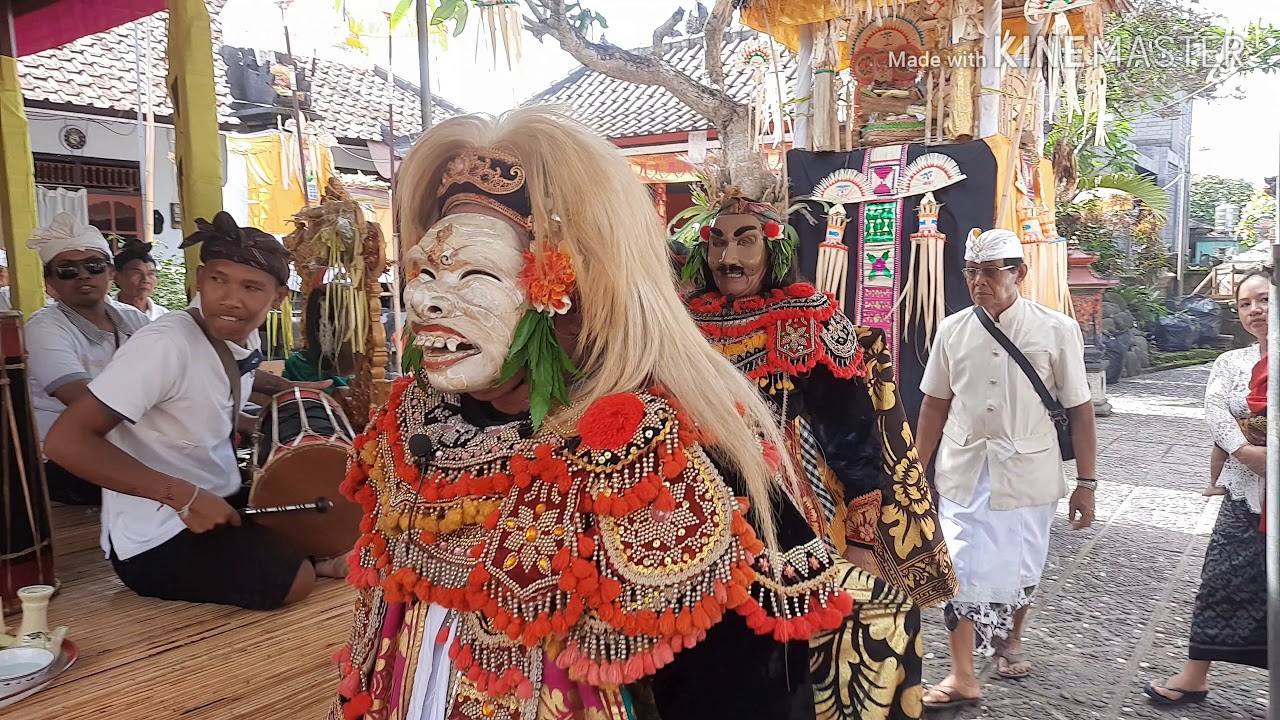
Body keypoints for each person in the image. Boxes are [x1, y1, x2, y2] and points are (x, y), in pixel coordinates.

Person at [331, 108, 863, 720]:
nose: (422, 297)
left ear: (564, 289)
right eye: (422, 271)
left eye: (472, 273)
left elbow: (751, 692)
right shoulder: (407, 433)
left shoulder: (659, 463)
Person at [675, 176, 957, 718]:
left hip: (787, 508)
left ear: (776, 248)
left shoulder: (806, 320)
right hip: (692, 510)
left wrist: (862, 543)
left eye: (745, 241)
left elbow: (851, 440)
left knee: (783, 653)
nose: (728, 257)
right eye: (717, 242)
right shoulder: (685, 323)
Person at [44, 212, 345, 611]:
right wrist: (182, 496)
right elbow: (65, 441)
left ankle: (302, 550)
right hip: (157, 535)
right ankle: (308, 561)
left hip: (218, 497)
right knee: (294, 580)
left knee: (331, 512)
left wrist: (287, 395)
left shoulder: (239, 334)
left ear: (277, 298)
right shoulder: (165, 345)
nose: (231, 298)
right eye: (218, 280)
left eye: (251, 287)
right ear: (200, 280)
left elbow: (221, 385)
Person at [914, 228, 1098, 709]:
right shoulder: (952, 328)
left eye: (992, 271)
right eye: (972, 271)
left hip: (1029, 472)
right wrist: (913, 470)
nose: (980, 281)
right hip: (964, 470)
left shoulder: (1056, 329)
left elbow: (1080, 410)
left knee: (1022, 564)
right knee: (960, 567)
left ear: (1020, 272)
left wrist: (1087, 484)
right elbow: (934, 403)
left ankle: (1011, 636)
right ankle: (961, 675)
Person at [1144, 269, 1271, 705]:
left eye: (1264, 299)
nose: (1254, 310)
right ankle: (1195, 676)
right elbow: (1216, 410)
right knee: (1220, 579)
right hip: (1243, 493)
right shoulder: (1232, 363)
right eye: (1244, 304)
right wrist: (1246, 452)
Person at [26, 213, 150, 506]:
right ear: (50, 283)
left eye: (93, 266)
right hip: (69, 463)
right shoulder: (44, 328)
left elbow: (180, 373)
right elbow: (84, 402)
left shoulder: (135, 319)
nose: (83, 275)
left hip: (134, 448)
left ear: (110, 274)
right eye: (67, 270)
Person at [113, 238, 169, 320]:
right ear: (116, 277)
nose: (145, 280)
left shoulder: (164, 317)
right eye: (137, 273)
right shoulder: (105, 314)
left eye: (151, 274)